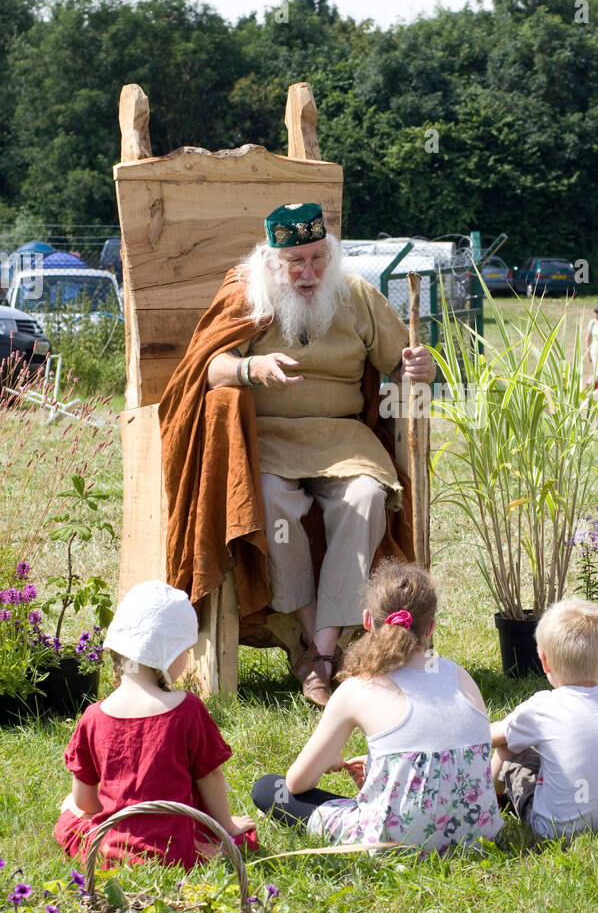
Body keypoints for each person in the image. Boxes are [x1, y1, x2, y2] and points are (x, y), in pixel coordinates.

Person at [161, 202, 436, 707]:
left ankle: (320, 652)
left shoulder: (356, 296)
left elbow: (405, 364)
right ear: (272, 263)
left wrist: (420, 367)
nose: (309, 273)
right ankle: (317, 645)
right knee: (271, 501)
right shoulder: (244, 295)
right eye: (296, 263)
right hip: (269, 441)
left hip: (343, 439)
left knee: (367, 499)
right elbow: (207, 368)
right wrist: (252, 369)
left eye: (317, 259)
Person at [251, 562, 503, 854]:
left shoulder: (358, 688)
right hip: (479, 835)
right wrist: (379, 769)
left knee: (269, 789)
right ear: (431, 627)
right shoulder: (461, 677)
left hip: (394, 841)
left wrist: (331, 759)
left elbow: (296, 784)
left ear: (367, 621)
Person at [54, 581, 258, 870]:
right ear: (169, 653)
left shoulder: (93, 717)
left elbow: (86, 803)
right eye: (185, 651)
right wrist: (227, 824)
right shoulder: (186, 709)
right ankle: (213, 845)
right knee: (241, 835)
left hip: (111, 853)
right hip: (178, 853)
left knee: (69, 812)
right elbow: (210, 775)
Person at [490, 599, 598, 837]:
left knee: (508, 745)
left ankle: (491, 804)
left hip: (556, 829)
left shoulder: (543, 706)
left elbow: (493, 737)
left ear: (544, 661)